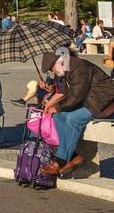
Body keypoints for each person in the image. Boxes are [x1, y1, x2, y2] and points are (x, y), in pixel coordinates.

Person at [38, 47, 114, 178]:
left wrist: (57, 107)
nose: (51, 72)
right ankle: (74, 157)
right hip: (88, 100)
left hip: (103, 100)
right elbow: (65, 92)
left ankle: (59, 162)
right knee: (58, 117)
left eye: (51, 69)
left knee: (73, 119)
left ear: (58, 62)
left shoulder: (78, 67)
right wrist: (53, 104)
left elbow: (77, 95)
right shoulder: (64, 69)